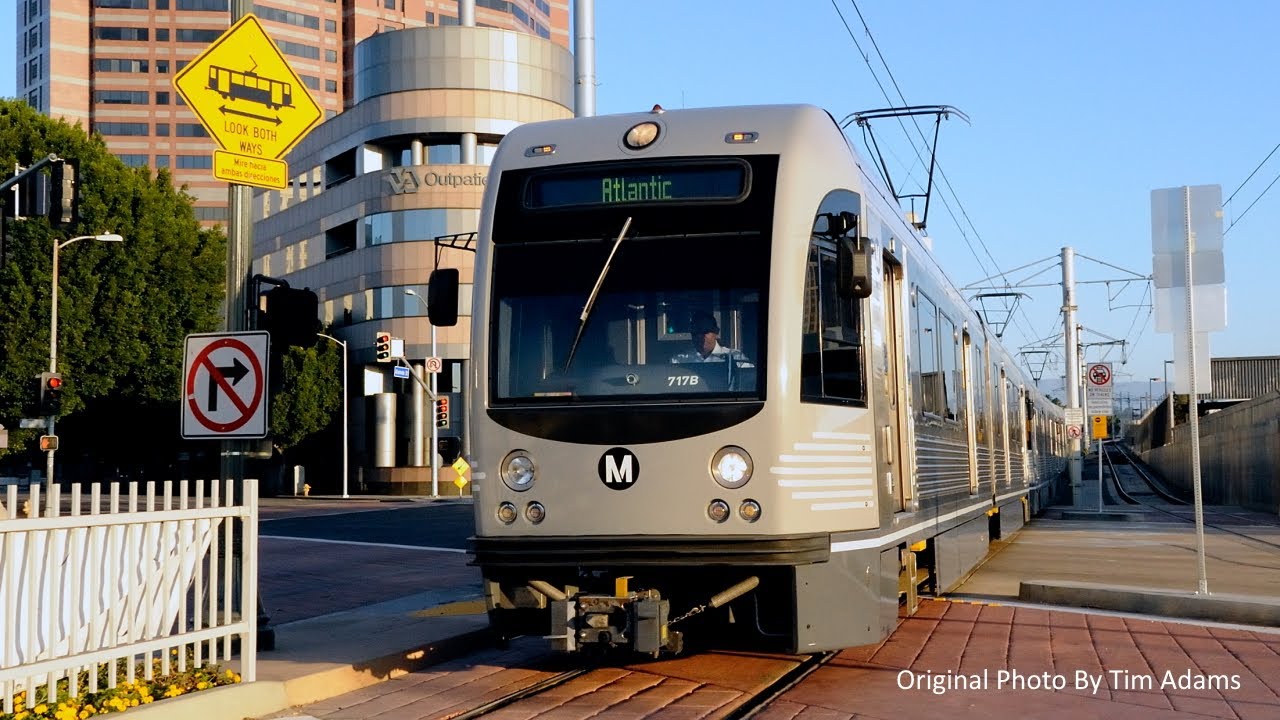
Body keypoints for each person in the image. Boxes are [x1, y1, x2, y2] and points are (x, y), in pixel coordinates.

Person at [671, 311, 753, 366]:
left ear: (716, 332)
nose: (700, 336)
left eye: (705, 331)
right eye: (695, 332)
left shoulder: (736, 358)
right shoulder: (679, 361)